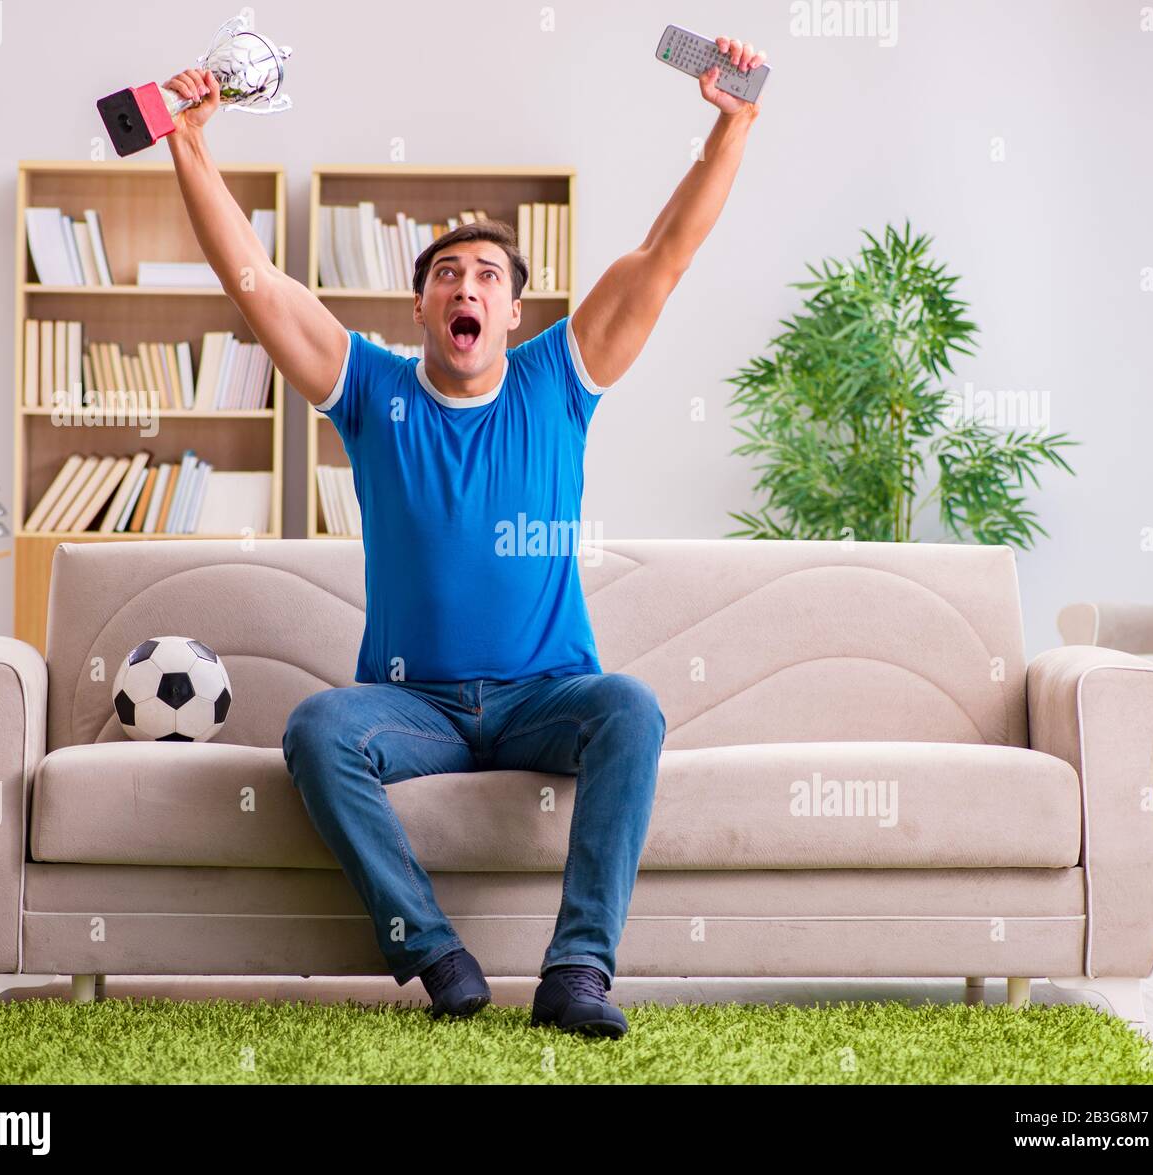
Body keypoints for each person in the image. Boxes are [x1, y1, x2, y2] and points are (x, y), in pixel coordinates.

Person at [165, 33, 766, 1038]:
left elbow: (668, 255)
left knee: (632, 707)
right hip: (415, 707)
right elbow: (257, 283)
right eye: (448, 274)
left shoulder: (558, 380)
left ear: (513, 309)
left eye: (488, 275)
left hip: (547, 698)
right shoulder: (371, 388)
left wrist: (731, 125)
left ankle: (576, 971)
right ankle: (435, 951)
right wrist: (190, 143)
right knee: (317, 729)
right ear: (421, 304)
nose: (468, 288)